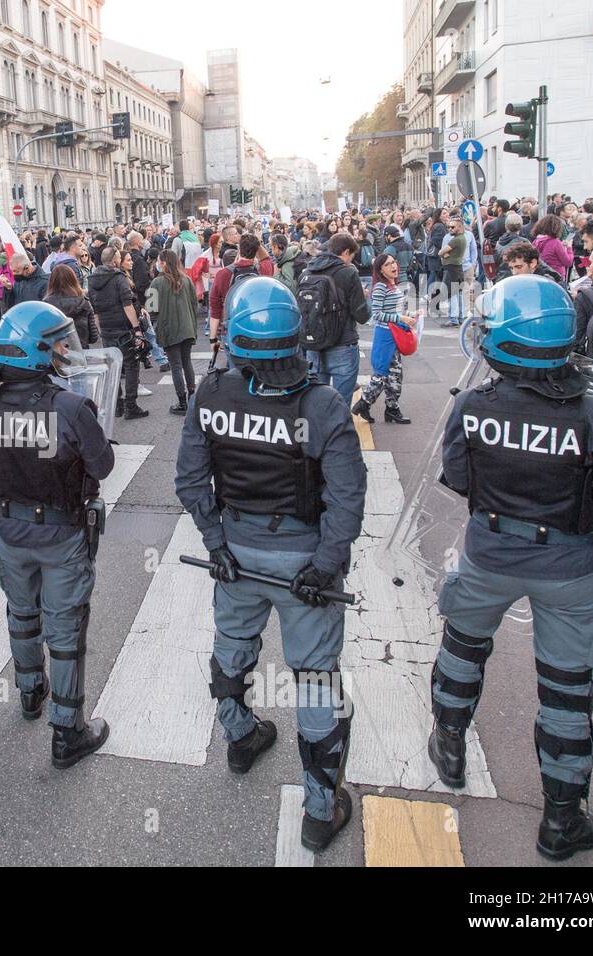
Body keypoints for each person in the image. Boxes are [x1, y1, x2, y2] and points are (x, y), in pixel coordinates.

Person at [429, 275, 593, 860]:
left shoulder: (473, 405)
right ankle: (561, 821)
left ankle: (448, 744)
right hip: (569, 567)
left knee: (462, 647)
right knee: (566, 690)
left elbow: (455, 475)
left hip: (489, 553)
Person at [175, 277, 365, 853]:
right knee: (314, 678)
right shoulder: (324, 403)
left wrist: (216, 543)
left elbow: (188, 479)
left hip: (238, 551)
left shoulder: (210, 394)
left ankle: (239, 737)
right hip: (304, 559)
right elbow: (348, 497)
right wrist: (326, 566)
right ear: (296, 337)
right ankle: (319, 806)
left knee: (232, 646)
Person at [0, 301, 115, 767]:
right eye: (58, 343)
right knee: (66, 628)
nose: (67, 349)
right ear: (36, 352)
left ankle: (31, 691)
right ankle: (67, 732)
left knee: (21, 612)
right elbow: (103, 466)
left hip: (10, 531)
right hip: (61, 535)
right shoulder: (70, 407)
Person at [300, 233, 370, 405]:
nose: (351, 261)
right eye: (352, 256)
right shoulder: (347, 273)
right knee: (340, 404)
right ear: (346, 252)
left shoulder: (307, 272)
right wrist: (363, 295)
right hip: (342, 344)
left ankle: (319, 432)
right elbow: (362, 315)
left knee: (317, 402)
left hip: (313, 345)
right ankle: (338, 432)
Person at [352, 253, 414, 426]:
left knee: (392, 374)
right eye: (388, 264)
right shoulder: (380, 287)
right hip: (386, 335)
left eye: (394, 262)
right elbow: (377, 314)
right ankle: (372, 405)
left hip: (395, 334)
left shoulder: (393, 285)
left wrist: (410, 316)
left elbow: (395, 310)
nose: (393, 266)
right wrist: (401, 319)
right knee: (386, 374)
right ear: (380, 270)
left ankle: (382, 407)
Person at [88, 246, 148, 420]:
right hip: (123, 328)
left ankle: (118, 403)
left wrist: (100, 329)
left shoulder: (92, 279)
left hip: (106, 328)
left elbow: (95, 309)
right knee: (131, 365)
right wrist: (137, 329)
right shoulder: (118, 277)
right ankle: (131, 405)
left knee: (113, 367)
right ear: (115, 260)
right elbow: (127, 304)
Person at [148, 249, 199, 415]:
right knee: (187, 363)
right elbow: (194, 304)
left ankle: (182, 402)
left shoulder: (156, 282)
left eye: (159, 261)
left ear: (163, 263)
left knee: (176, 366)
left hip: (169, 328)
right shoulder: (187, 280)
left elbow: (151, 308)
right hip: (187, 327)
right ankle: (192, 398)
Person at [43, 263, 98, 348]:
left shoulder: (46, 306)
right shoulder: (84, 302)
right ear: (74, 280)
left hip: (57, 354)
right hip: (81, 353)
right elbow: (93, 337)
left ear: (51, 282)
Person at [438, 217, 468, 328]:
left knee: (452, 294)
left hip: (452, 269)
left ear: (460, 227)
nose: (450, 229)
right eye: (449, 227)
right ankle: (459, 317)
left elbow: (441, 252)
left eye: (452, 227)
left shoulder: (456, 240)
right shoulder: (462, 238)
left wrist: (443, 255)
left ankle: (454, 318)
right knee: (458, 293)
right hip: (457, 268)